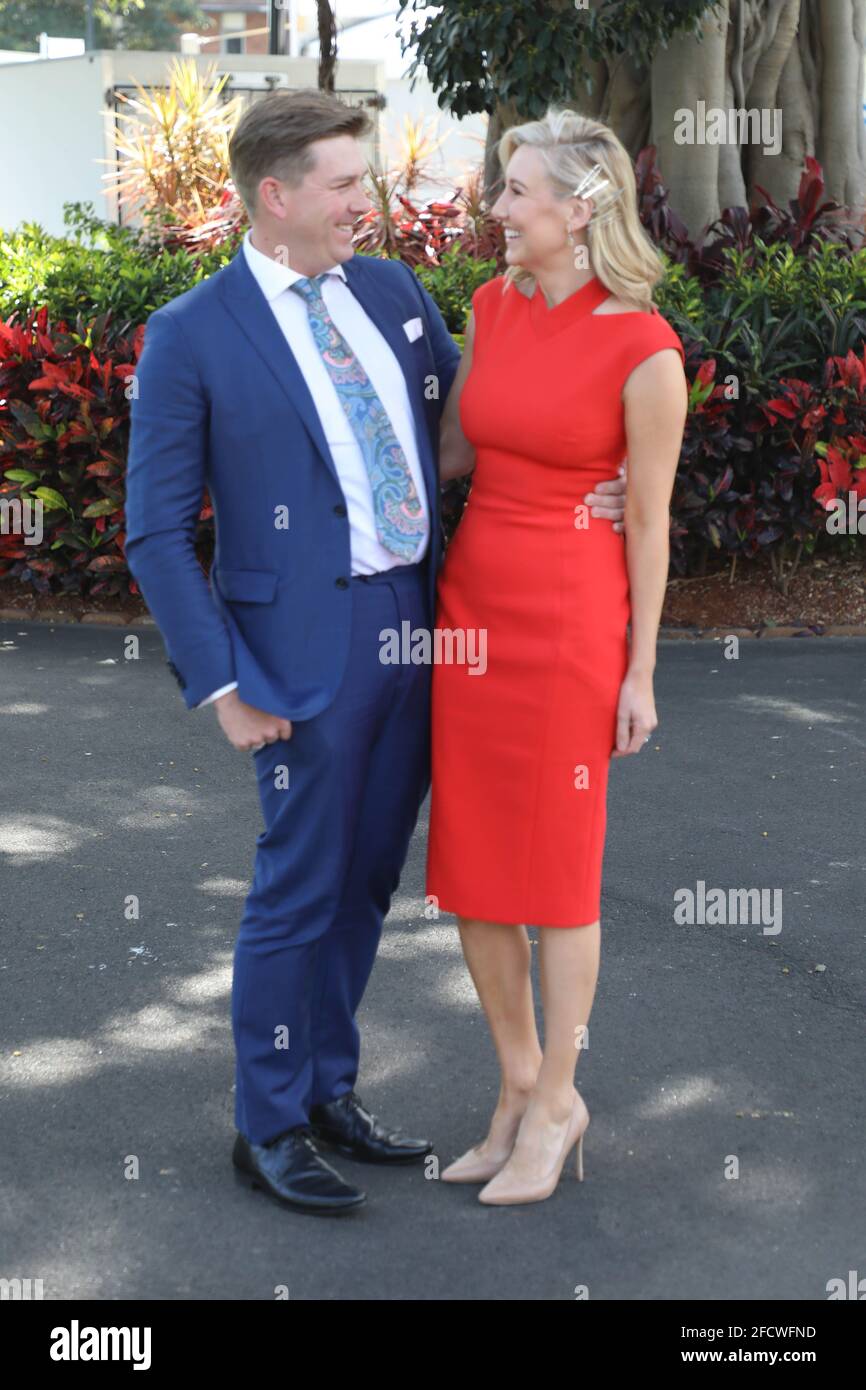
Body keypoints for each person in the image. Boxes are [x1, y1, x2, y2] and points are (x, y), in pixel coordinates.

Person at [123, 91, 628, 1218]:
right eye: (348, 184)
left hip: (424, 622)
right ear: (277, 194)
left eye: (367, 179)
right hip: (299, 648)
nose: (372, 202)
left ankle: (328, 1091)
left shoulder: (394, 294)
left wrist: (602, 477)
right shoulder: (191, 333)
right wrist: (220, 681)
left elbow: (476, 425)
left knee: (365, 880)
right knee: (297, 885)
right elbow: (154, 531)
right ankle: (267, 1124)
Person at [425, 108, 688, 1206]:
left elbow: (648, 521)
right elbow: (456, 446)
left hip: (573, 620)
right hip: (471, 608)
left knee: (559, 879)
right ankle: (519, 1090)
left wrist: (639, 673)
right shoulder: (488, 307)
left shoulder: (644, 348)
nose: (493, 210)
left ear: (576, 211)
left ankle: (561, 1095)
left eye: (513, 192)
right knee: (475, 867)